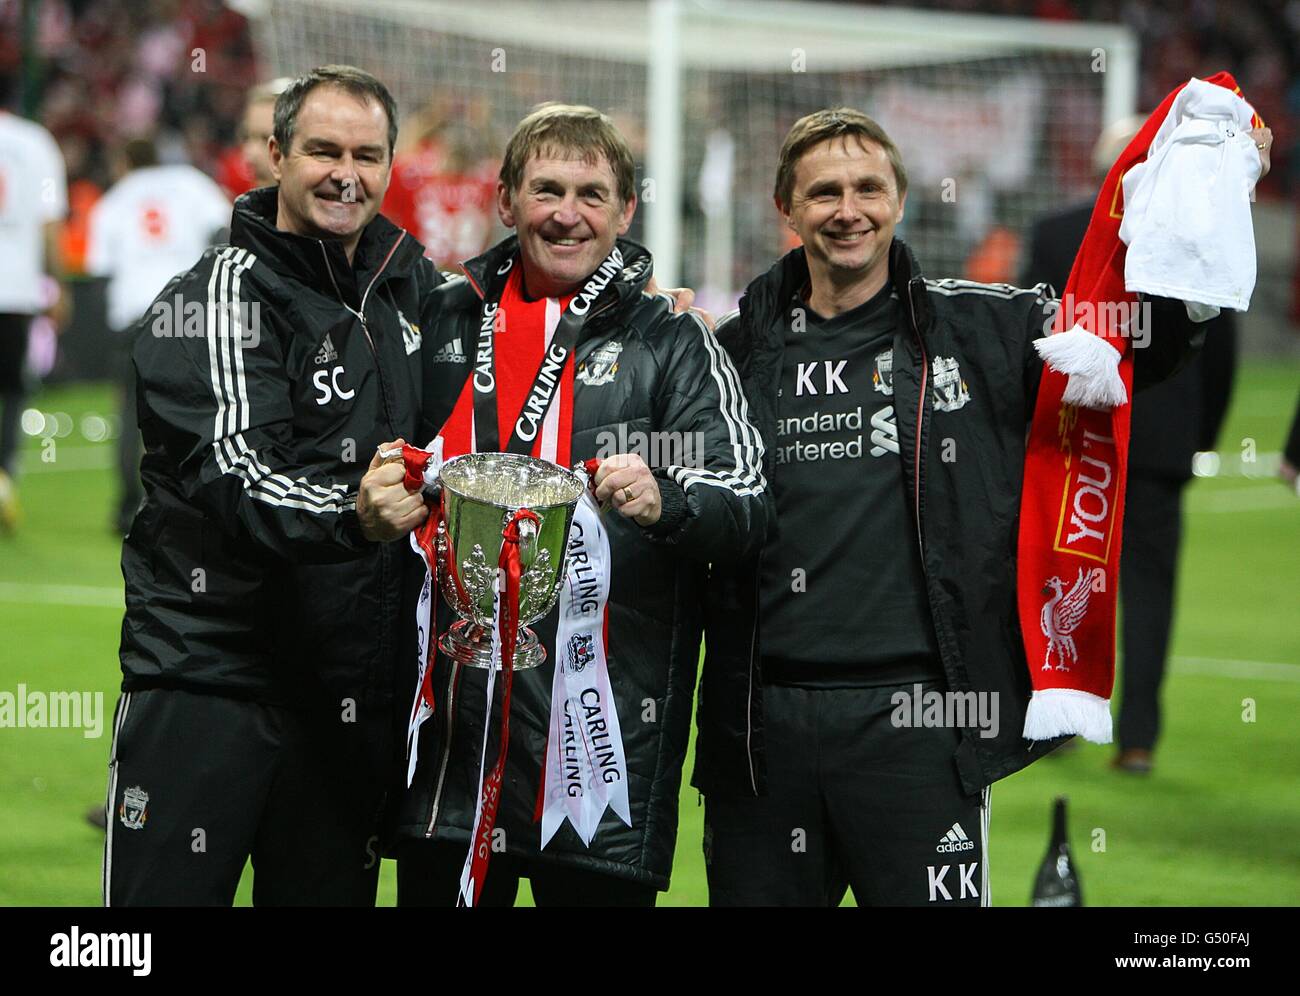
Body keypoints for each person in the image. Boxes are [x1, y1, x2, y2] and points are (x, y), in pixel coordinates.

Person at [696, 107, 1270, 907]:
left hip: (923, 725)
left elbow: (1145, 337)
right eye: (823, 192)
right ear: (785, 208)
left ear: (899, 199)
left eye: (868, 187)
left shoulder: (982, 328)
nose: (848, 210)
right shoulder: (728, 354)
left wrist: (1216, 188)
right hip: (760, 732)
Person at [392, 103, 768, 906]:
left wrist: (667, 500)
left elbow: (745, 503)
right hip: (452, 760)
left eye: (593, 195)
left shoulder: (673, 339)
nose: (569, 215)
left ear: (626, 210)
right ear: (505, 202)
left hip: (598, 764)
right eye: (548, 190)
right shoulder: (442, 319)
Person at [104, 65, 441, 906]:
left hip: (345, 700)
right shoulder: (221, 298)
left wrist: (634, 307)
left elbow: (519, 327)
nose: (346, 173)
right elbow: (240, 474)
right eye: (323, 150)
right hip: (211, 682)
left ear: (392, 165)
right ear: (276, 155)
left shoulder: (414, 294)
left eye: (368, 154)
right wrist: (352, 512)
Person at [1020, 117, 1237, 775]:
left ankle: (1055, 722)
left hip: (1075, 432)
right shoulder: (1198, 241)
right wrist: (1199, 441)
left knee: (1065, 572)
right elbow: (1220, 354)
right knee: (1149, 590)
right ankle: (1137, 740)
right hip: (1160, 445)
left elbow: (1028, 329)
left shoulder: (1056, 233)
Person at [86, 137, 232, 534]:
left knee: (131, 417)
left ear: (125, 161)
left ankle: (127, 509)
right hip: (184, 312)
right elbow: (224, 230)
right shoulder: (191, 182)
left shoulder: (112, 202)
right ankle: (192, 502)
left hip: (134, 315)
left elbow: (99, 270)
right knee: (195, 411)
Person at [0, 75, 68, 533]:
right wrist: (57, 284)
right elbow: (49, 219)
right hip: (16, 289)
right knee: (11, 393)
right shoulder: (34, 142)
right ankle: (3, 483)